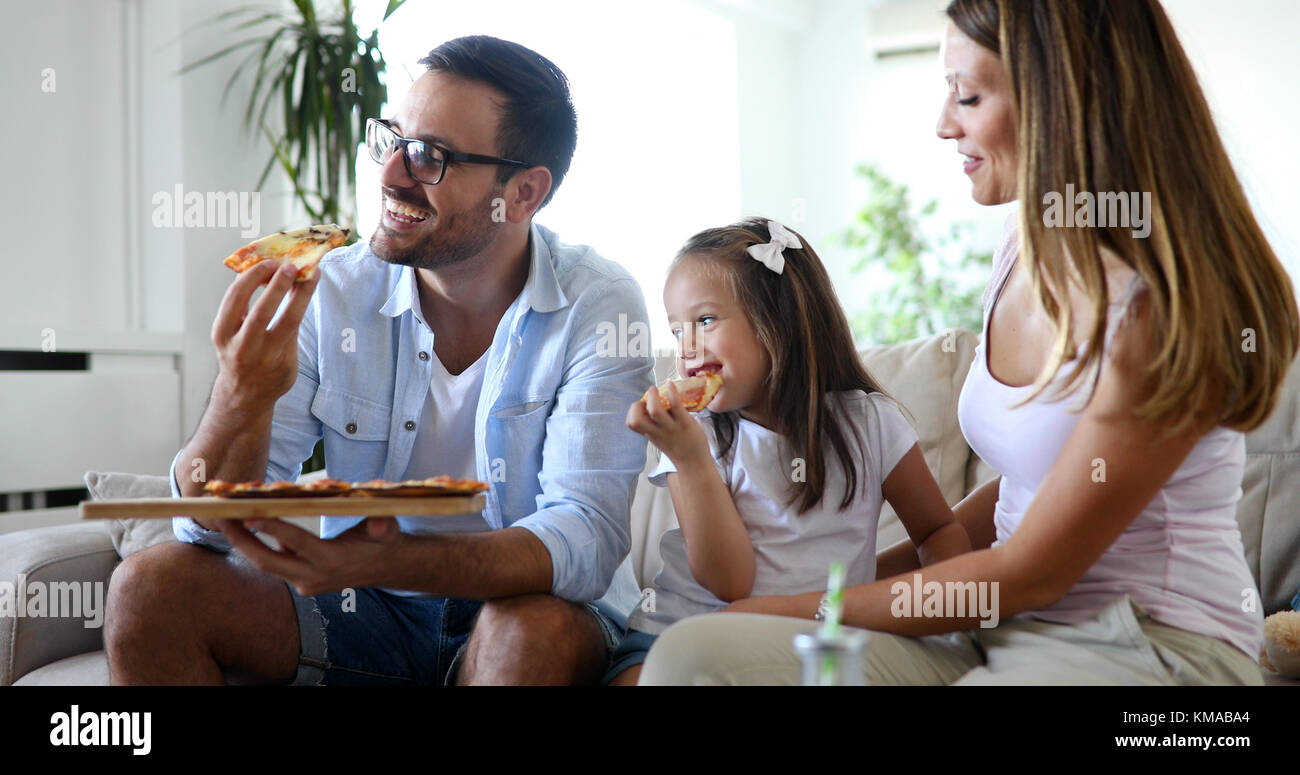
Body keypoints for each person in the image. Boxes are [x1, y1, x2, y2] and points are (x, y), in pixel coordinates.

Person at [637, 0, 1299, 685]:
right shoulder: (1021, 249)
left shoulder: (1159, 307)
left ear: (1058, 98)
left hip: (1147, 644)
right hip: (995, 624)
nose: (943, 123)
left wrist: (793, 607)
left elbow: (1032, 572)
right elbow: (1029, 494)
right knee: (691, 659)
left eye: (969, 95)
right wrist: (842, 593)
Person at [103, 35, 653, 686]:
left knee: (522, 633)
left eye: (429, 157)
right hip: (365, 610)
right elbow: (205, 533)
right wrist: (241, 393)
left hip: (530, 611)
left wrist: (386, 559)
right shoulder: (333, 292)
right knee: (150, 588)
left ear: (526, 192)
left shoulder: (598, 303)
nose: (391, 174)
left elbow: (585, 539)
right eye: (391, 139)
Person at [606, 218, 971, 685]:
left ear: (779, 322)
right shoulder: (696, 435)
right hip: (677, 633)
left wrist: (947, 612)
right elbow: (728, 583)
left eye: (705, 320)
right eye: (677, 331)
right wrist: (690, 459)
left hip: (809, 641)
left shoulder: (872, 424)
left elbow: (936, 528)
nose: (687, 348)